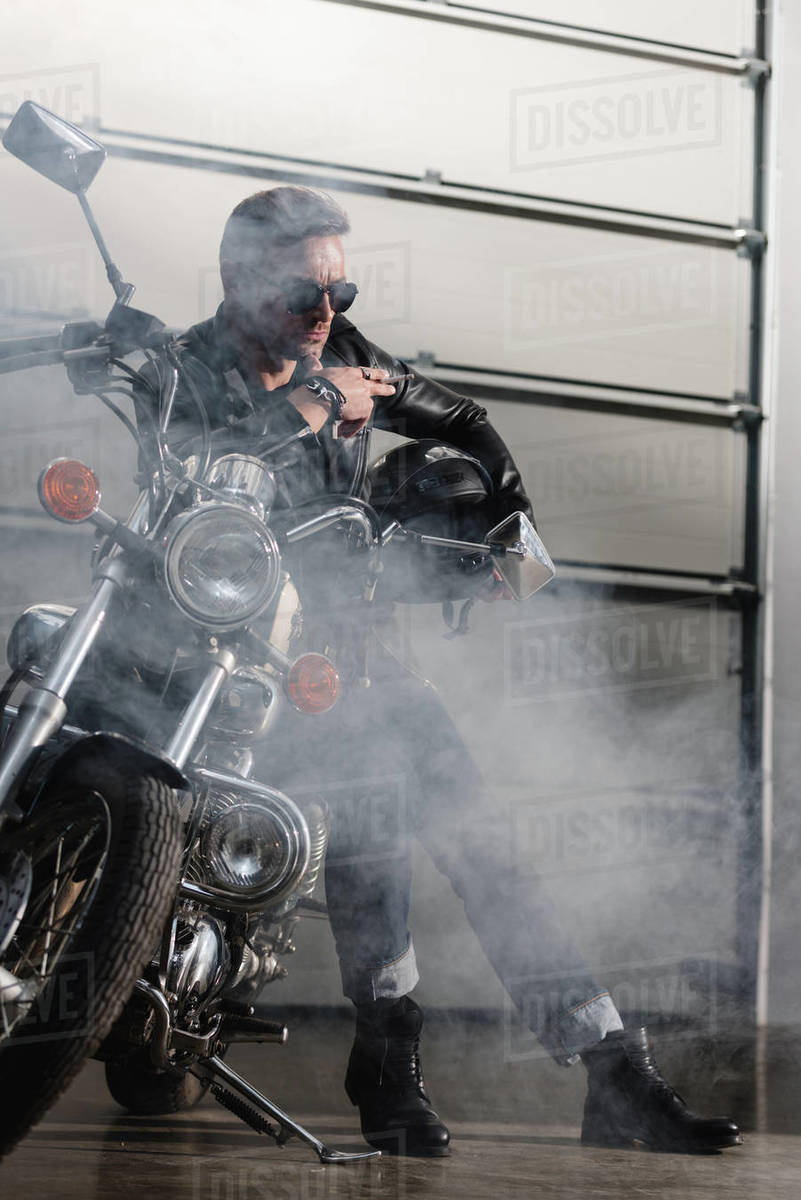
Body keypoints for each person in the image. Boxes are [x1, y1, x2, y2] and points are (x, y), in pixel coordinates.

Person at [137, 185, 741, 1158]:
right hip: (228, 678)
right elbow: (179, 489)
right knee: (373, 819)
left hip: (349, 664)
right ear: (239, 278)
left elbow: (460, 415)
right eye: (304, 294)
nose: (327, 314)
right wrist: (311, 403)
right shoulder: (178, 372)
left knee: (483, 841)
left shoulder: (341, 351)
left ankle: (609, 1068)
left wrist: (514, 520)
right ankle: (387, 1055)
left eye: (343, 289)